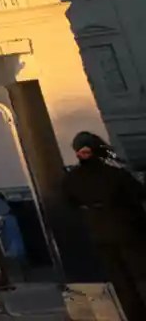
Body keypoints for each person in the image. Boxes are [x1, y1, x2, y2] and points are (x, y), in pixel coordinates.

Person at [63, 131, 146, 321]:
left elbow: (69, 204)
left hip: (99, 233)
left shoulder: (72, 178)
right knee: (141, 275)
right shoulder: (115, 173)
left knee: (121, 280)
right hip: (129, 229)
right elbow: (139, 194)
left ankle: (134, 315)